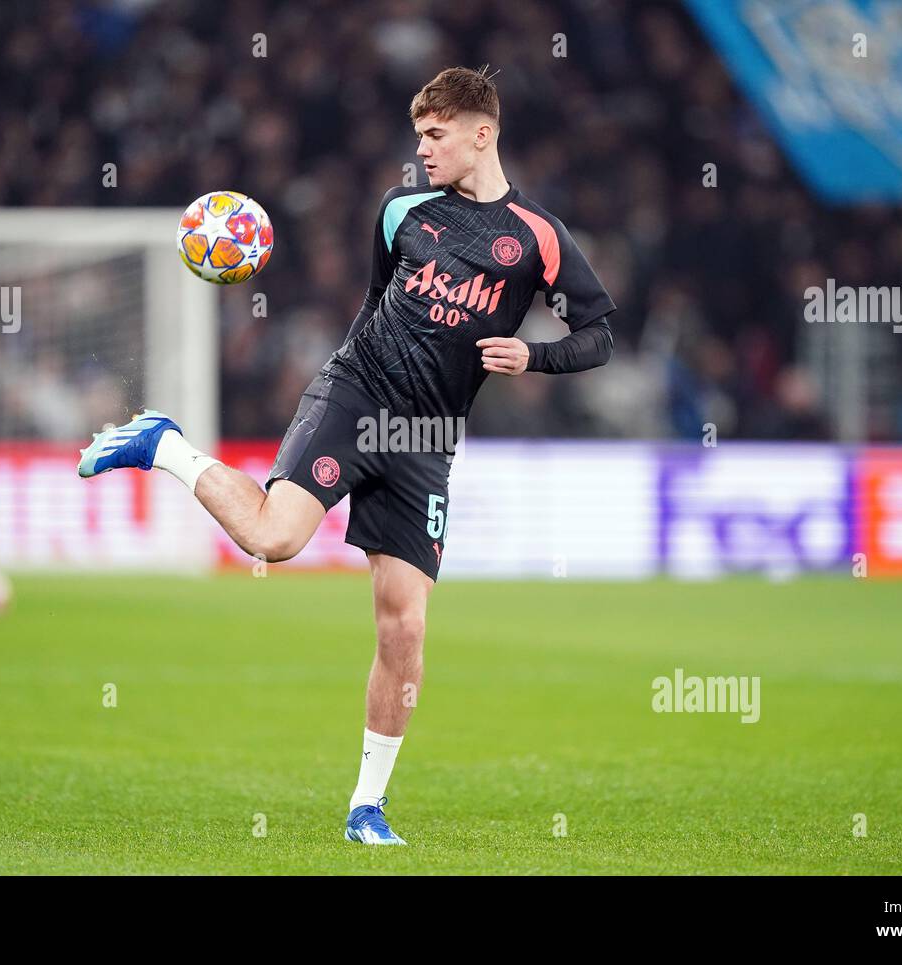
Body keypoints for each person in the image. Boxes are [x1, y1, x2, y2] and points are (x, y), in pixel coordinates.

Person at [78, 66, 616, 844]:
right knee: (274, 538)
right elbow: (373, 305)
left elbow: (598, 333)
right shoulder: (402, 211)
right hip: (355, 398)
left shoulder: (538, 238)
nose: (423, 149)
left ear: (481, 133)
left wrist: (535, 358)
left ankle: (367, 806)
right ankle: (163, 444)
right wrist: (353, 391)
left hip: (428, 439)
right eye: (418, 135)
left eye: (436, 135)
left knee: (405, 631)